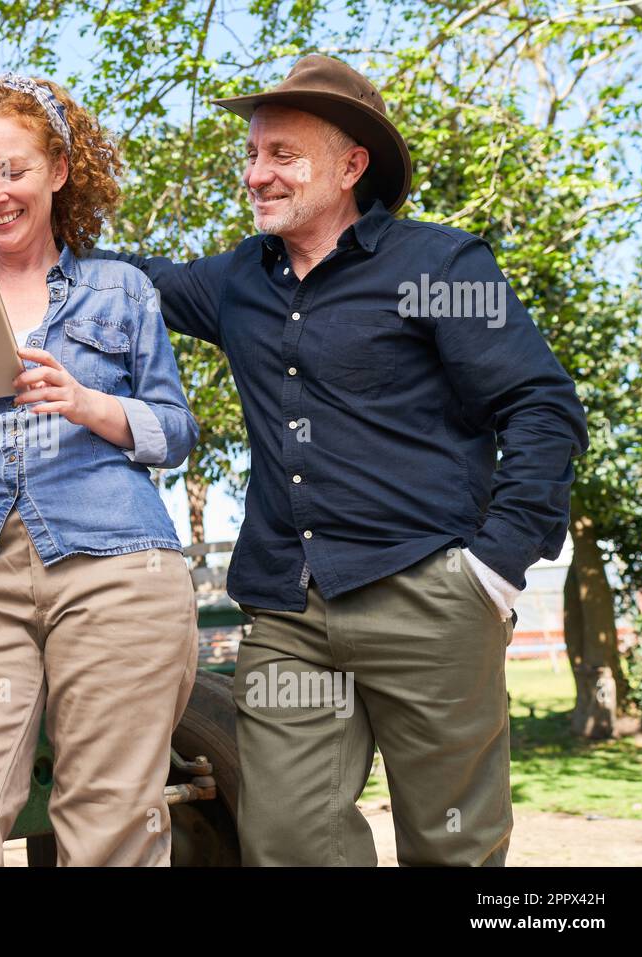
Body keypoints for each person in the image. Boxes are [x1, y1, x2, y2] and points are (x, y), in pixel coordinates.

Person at [94, 55, 589, 865]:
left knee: (450, 847)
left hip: (429, 596)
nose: (256, 174)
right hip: (291, 611)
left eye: (282, 155)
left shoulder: (437, 268)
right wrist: (30, 216)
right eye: (251, 155)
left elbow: (540, 407)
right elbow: (128, 282)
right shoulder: (235, 284)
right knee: (290, 841)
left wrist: (496, 567)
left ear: (352, 163)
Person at [0, 74, 201, 867]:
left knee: (109, 823)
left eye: (13, 170)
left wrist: (88, 403)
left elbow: (177, 430)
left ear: (58, 169)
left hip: (118, 561)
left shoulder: (123, 289)